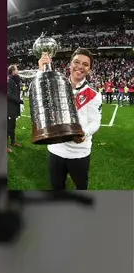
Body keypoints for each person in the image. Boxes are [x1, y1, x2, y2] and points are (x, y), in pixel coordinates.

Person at [42, 49, 103, 191]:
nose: (80, 66)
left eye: (85, 64)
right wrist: (42, 71)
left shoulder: (94, 95)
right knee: (57, 187)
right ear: (70, 64)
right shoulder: (56, 86)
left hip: (79, 152)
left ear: (89, 69)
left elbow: (95, 122)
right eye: (76, 62)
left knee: (81, 187)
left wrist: (84, 133)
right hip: (55, 149)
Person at [7, 65, 24, 152]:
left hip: (14, 107)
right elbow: (8, 95)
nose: (18, 70)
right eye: (17, 69)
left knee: (13, 125)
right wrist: (19, 100)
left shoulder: (14, 80)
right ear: (13, 71)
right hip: (9, 107)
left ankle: (13, 142)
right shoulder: (9, 80)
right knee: (8, 127)